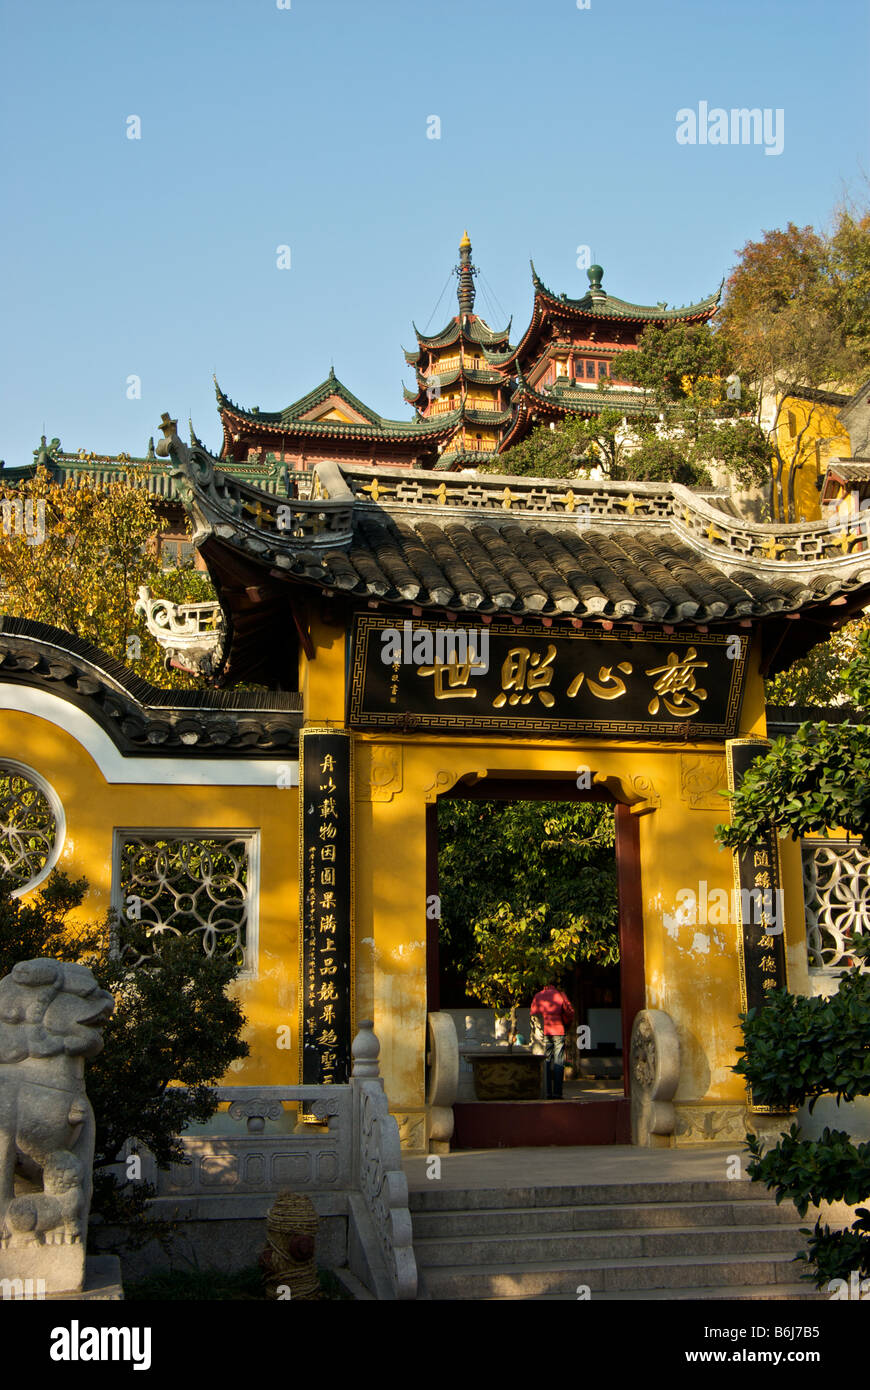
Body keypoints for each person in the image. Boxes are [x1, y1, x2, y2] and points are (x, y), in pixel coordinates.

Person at [530, 979, 575, 1099]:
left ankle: (547, 1092)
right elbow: (570, 1012)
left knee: (546, 1061)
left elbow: (533, 1014)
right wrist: (567, 1023)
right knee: (558, 1061)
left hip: (544, 1031)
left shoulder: (538, 996)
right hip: (558, 1030)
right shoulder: (560, 995)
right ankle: (557, 1093)